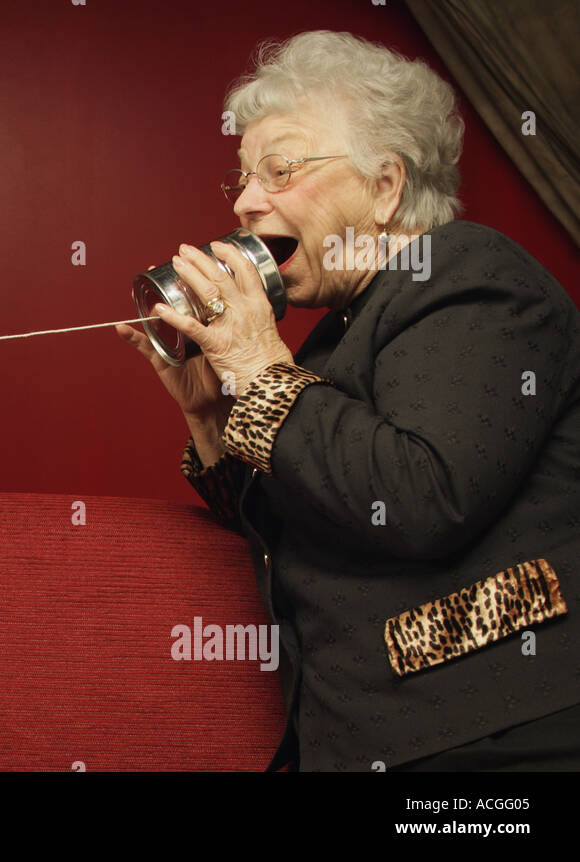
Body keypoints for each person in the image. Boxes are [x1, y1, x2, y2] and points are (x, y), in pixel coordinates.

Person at [117, 31, 580, 771]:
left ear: (385, 186)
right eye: (241, 178)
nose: (244, 201)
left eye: (279, 170)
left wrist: (259, 368)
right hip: (354, 742)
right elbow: (292, 528)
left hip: (499, 737)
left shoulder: (469, 273)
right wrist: (211, 414)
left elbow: (424, 496)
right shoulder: (328, 343)